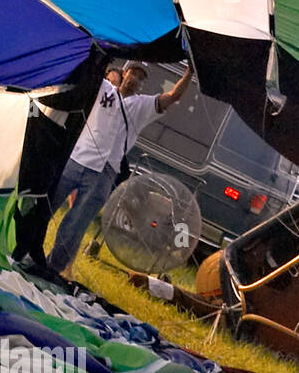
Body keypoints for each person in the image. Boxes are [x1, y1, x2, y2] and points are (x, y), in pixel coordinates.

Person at [47, 60, 193, 276]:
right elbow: (91, 71)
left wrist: (189, 73)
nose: (135, 79)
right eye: (133, 73)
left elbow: (172, 97)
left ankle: (52, 267)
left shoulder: (143, 105)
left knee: (77, 223)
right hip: (78, 157)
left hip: (105, 171)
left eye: (141, 77)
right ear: (124, 73)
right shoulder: (104, 90)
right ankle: (23, 248)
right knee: (46, 203)